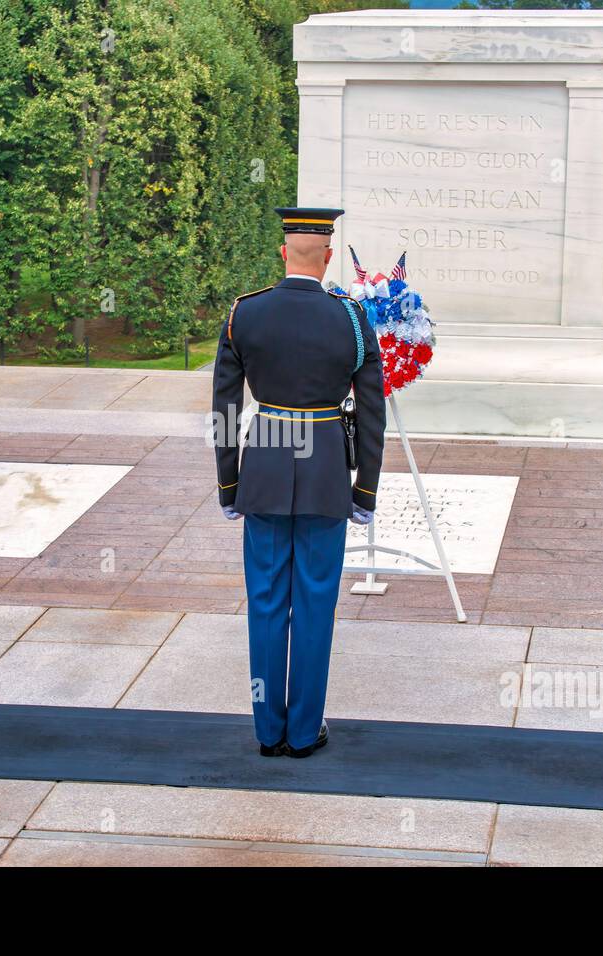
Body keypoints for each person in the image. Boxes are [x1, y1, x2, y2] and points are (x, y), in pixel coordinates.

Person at [212, 207, 385, 758]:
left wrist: (228, 483)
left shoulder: (247, 314)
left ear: (283, 253)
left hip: (262, 468)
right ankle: (305, 731)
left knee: (265, 601)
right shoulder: (352, 319)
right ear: (328, 256)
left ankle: (268, 731)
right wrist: (366, 490)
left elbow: (223, 407)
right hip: (325, 477)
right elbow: (372, 411)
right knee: (314, 603)